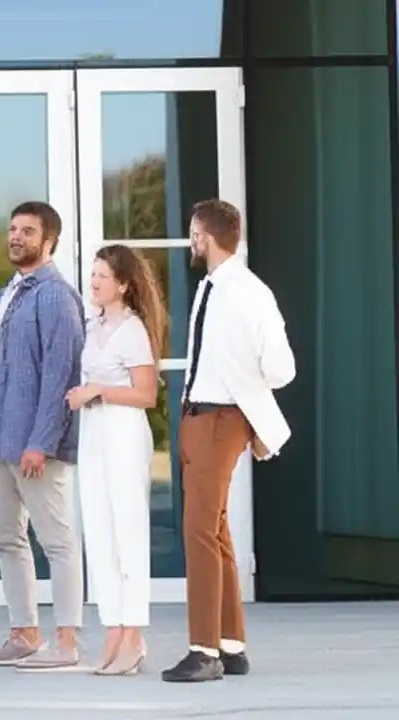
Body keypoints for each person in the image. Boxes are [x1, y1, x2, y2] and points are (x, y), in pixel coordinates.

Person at [161, 199, 294, 683]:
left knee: (199, 530)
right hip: (200, 417)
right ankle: (231, 647)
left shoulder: (247, 292)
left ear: (205, 237)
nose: (191, 241)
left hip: (221, 417)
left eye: (193, 233)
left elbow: (282, 368)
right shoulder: (212, 288)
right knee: (213, 530)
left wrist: (243, 389)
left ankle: (203, 651)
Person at [0, 200, 86, 670]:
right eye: (12, 228)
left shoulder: (55, 296)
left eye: (27, 231)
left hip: (35, 446)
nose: (15, 237)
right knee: (7, 538)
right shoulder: (7, 293)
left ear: (48, 240)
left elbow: (60, 374)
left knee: (57, 541)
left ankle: (67, 642)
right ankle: (23, 633)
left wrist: (42, 441)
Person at [65, 244, 167, 675]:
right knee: (100, 531)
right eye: (92, 275)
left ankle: (133, 632)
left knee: (127, 532)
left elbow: (146, 395)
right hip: (93, 433)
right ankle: (112, 626)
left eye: (102, 276)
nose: (94, 282)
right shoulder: (92, 326)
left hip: (123, 432)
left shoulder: (133, 330)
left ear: (123, 285)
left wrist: (98, 392)